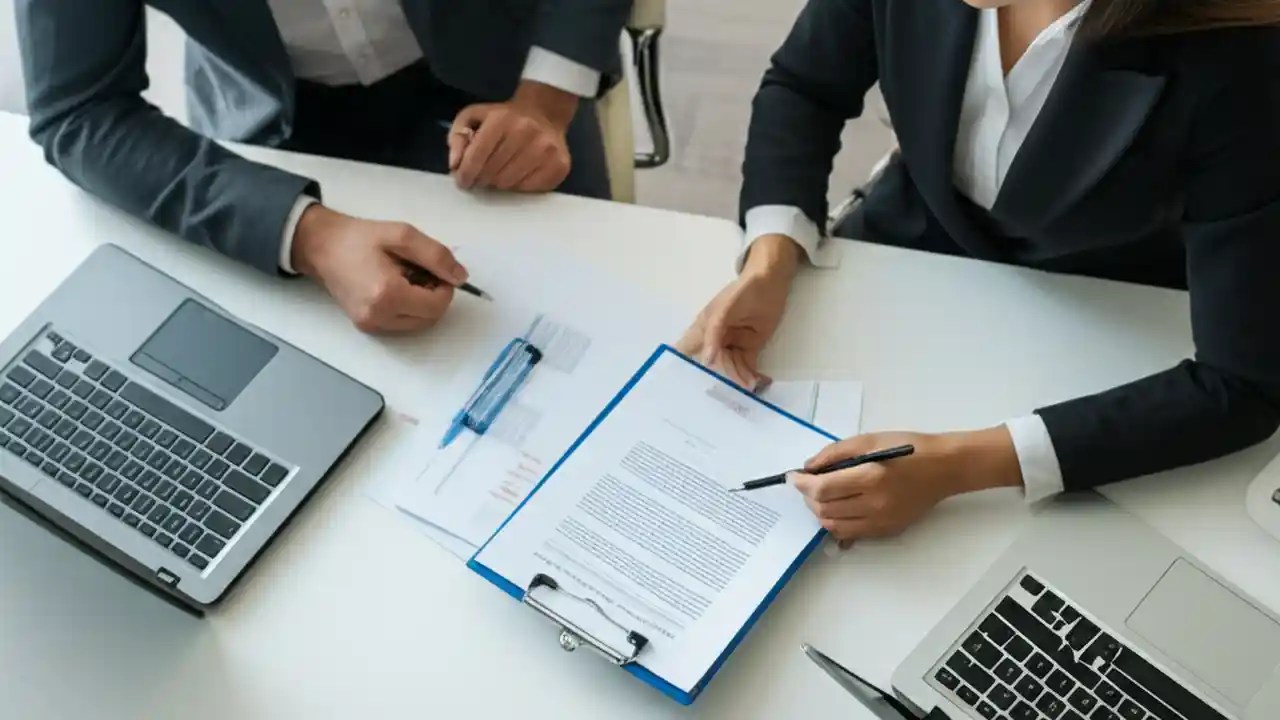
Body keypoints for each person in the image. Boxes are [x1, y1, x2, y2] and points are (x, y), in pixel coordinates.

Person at [680, 0, 1280, 544]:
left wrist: (960, 466)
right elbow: (805, 87)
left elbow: (1245, 384)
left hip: (1109, 322)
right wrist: (772, 257)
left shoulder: (1244, 56)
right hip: (908, 254)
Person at [16, 0, 630, 333]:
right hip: (272, 128)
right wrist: (305, 235)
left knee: (587, 331)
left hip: (506, 76)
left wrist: (548, 97)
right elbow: (82, 110)